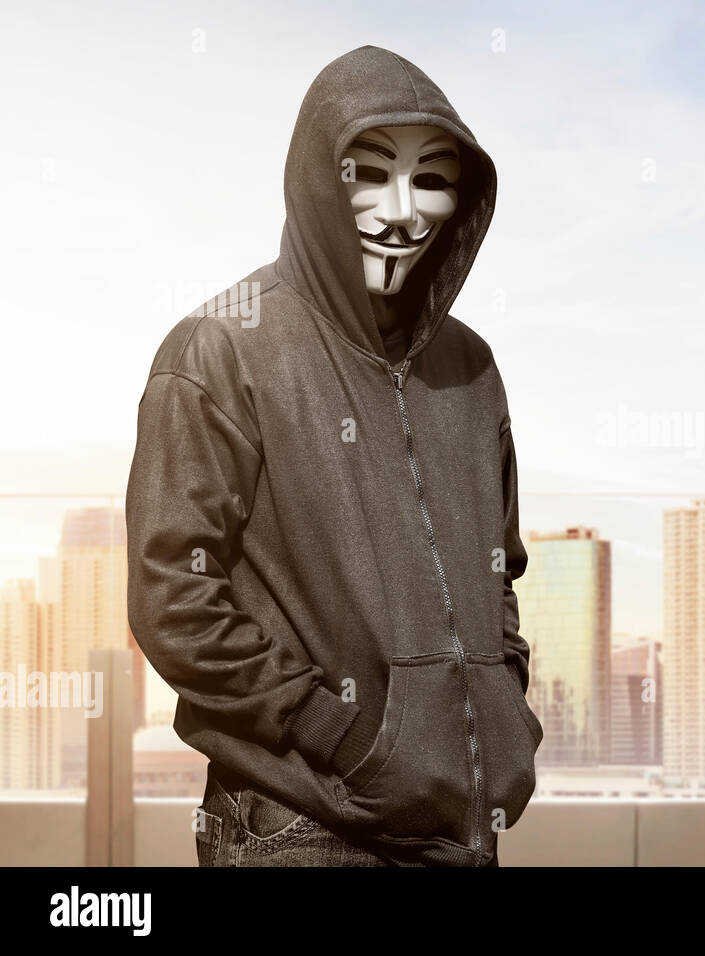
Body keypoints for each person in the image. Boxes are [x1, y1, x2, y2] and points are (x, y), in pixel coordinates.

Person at [126, 45, 542, 867]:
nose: (402, 211)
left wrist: (499, 715)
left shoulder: (471, 367)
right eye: (370, 172)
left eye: (432, 178)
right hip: (301, 827)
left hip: (458, 830)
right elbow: (173, 599)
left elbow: (500, 577)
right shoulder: (221, 347)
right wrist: (344, 736)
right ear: (318, 177)